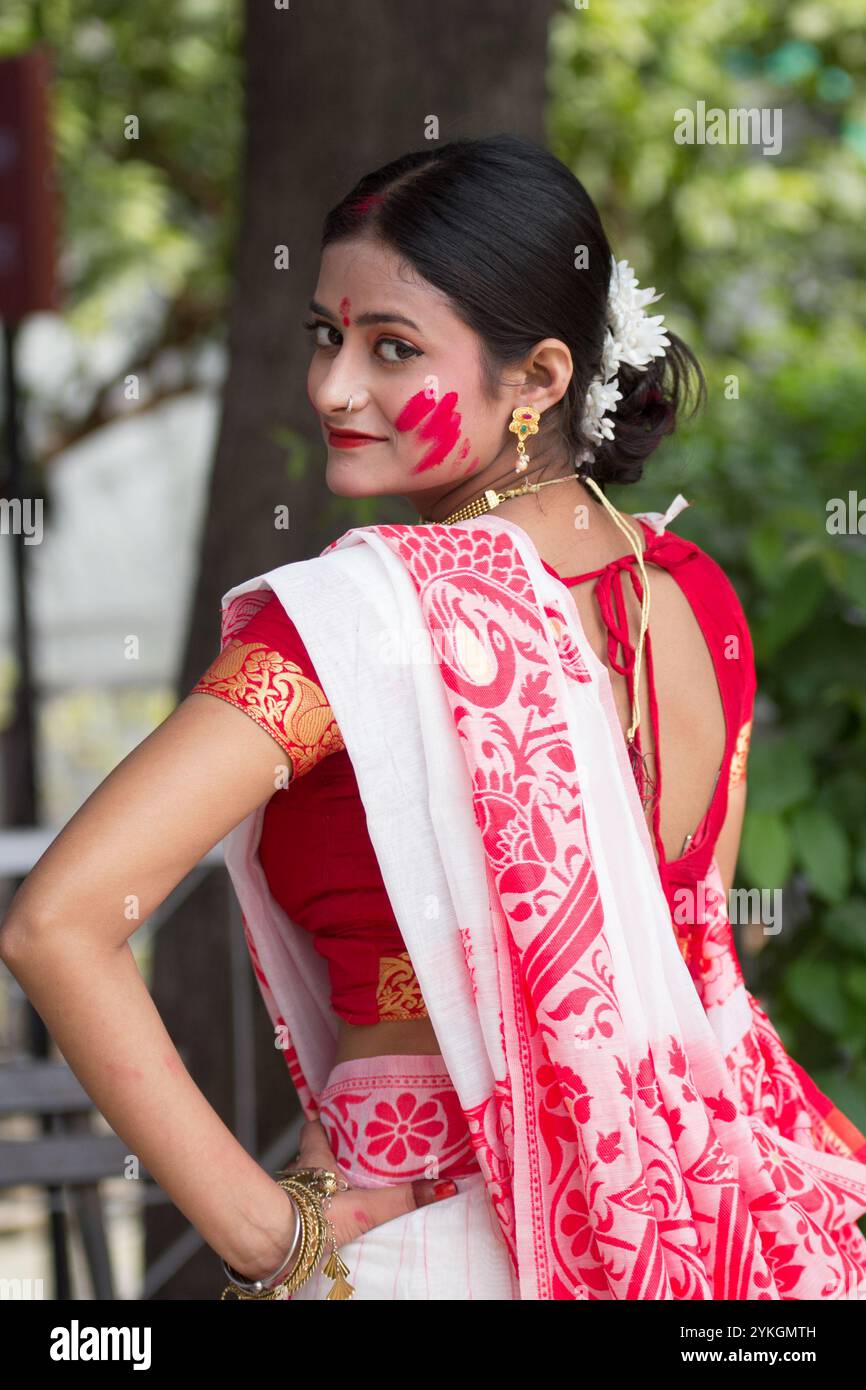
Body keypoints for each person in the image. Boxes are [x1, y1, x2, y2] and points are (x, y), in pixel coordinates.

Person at [3, 133, 865, 1301]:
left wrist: (268, 1237)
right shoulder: (687, 600)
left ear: (542, 376)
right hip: (702, 1226)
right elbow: (692, 954)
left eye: (390, 347)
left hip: (424, 1229)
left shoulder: (359, 624)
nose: (331, 386)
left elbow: (53, 924)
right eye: (325, 334)